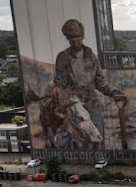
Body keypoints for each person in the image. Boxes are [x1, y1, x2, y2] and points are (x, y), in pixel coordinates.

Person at [52, 19, 130, 149]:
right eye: (72, 40)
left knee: (97, 137)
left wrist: (114, 93)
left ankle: (100, 162)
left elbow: (100, 82)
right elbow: (59, 82)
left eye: (78, 38)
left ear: (82, 37)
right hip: (74, 103)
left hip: (93, 102)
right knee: (65, 139)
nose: (76, 42)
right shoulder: (63, 57)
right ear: (68, 39)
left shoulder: (91, 56)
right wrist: (57, 90)